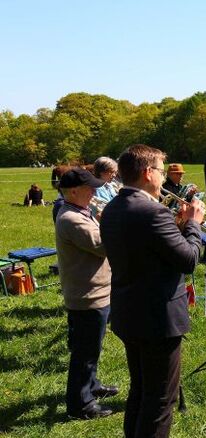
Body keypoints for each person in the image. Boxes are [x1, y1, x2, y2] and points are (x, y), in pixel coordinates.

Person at [100, 144, 203, 438]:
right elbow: (188, 260)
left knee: (141, 393)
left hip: (130, 312)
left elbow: (150, 251)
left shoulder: (114, 208)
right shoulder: (152, 211)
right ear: (147, 173)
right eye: (160, 170)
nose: (162, 177)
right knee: (160, 400)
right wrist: (194, 225)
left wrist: (178, 226)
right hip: (157, 317)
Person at [55, 168, 118, 420]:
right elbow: (103, 246)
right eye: (89, 188)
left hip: (95, 292)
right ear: (72, 192)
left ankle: (91, 385)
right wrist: (111, 222)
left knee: (92, 348)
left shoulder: (80, 212)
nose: (94, 192)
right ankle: (80, 404)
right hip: (87, 296)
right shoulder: (71, 219)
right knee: (85, 353)